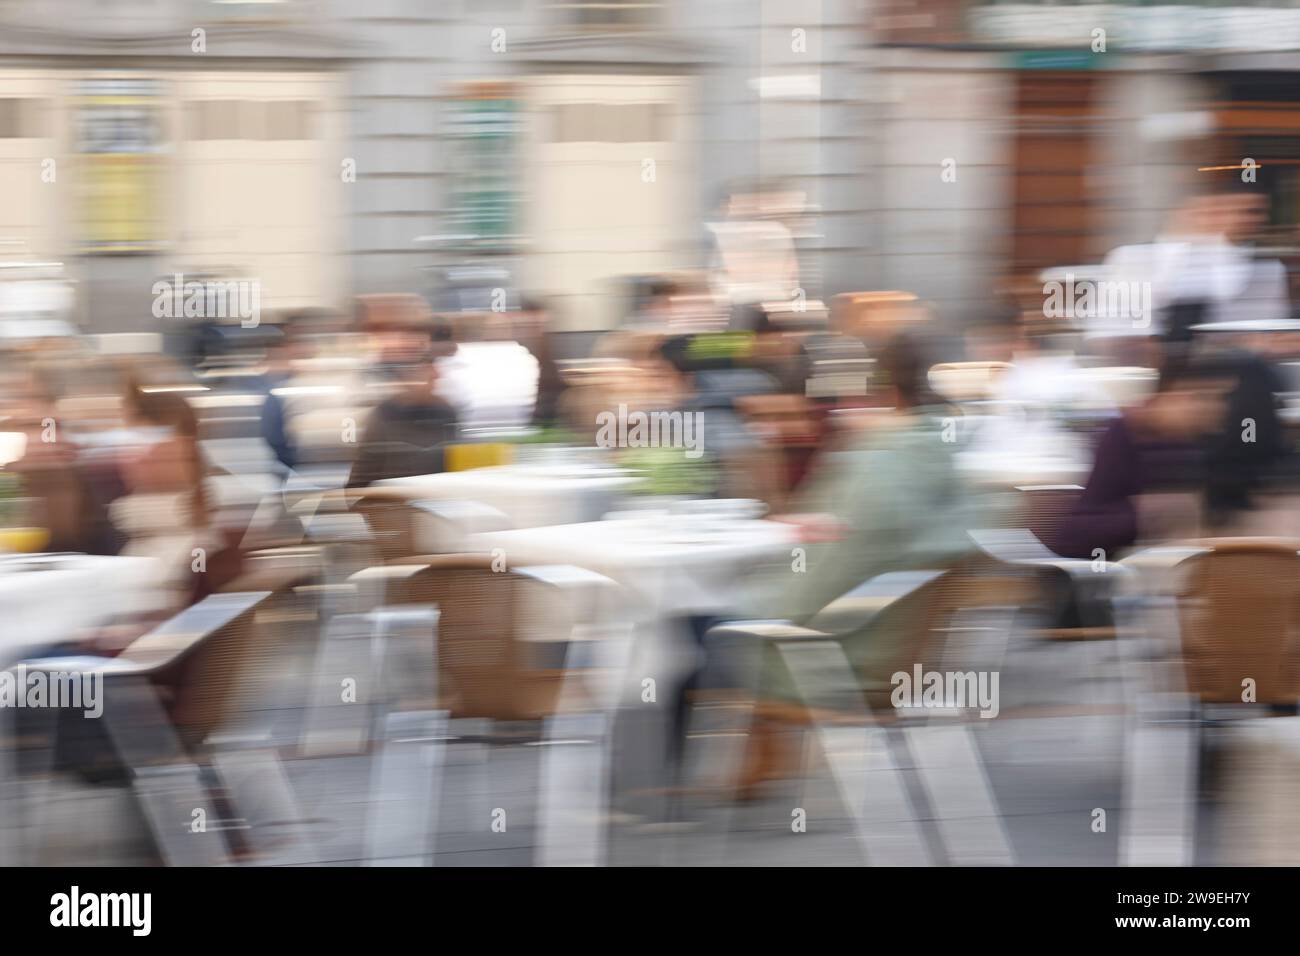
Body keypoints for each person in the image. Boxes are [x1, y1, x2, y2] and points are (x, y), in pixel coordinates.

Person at [1049, 358, 1235, 560]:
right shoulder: (1126, 434)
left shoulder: (1206, 445)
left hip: (1179, 571)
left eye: (1219, 399)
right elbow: (1079, 534)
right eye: (1198, 397)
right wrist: (1145, 515)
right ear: (1165, 397)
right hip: (1110, 570)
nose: (1210, 408)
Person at [347, 334, 459, 487]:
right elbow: (361, 476)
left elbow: (454, 467)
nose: (437, 375)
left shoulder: (445, 411)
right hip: (395, 504)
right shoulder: (384, 415)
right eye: (427, 370)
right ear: (407, 376)